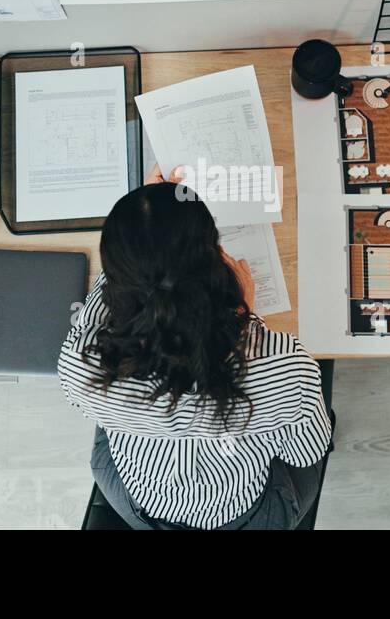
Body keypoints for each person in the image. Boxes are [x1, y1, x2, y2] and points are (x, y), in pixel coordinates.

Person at [60, 165, 333, 530]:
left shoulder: (80, 365)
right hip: (241, 515)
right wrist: (247, 317)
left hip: (140, 503)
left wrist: (145, 233)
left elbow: (109, 295)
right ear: (214, 266)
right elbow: (306, 451)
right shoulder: (285, 367)